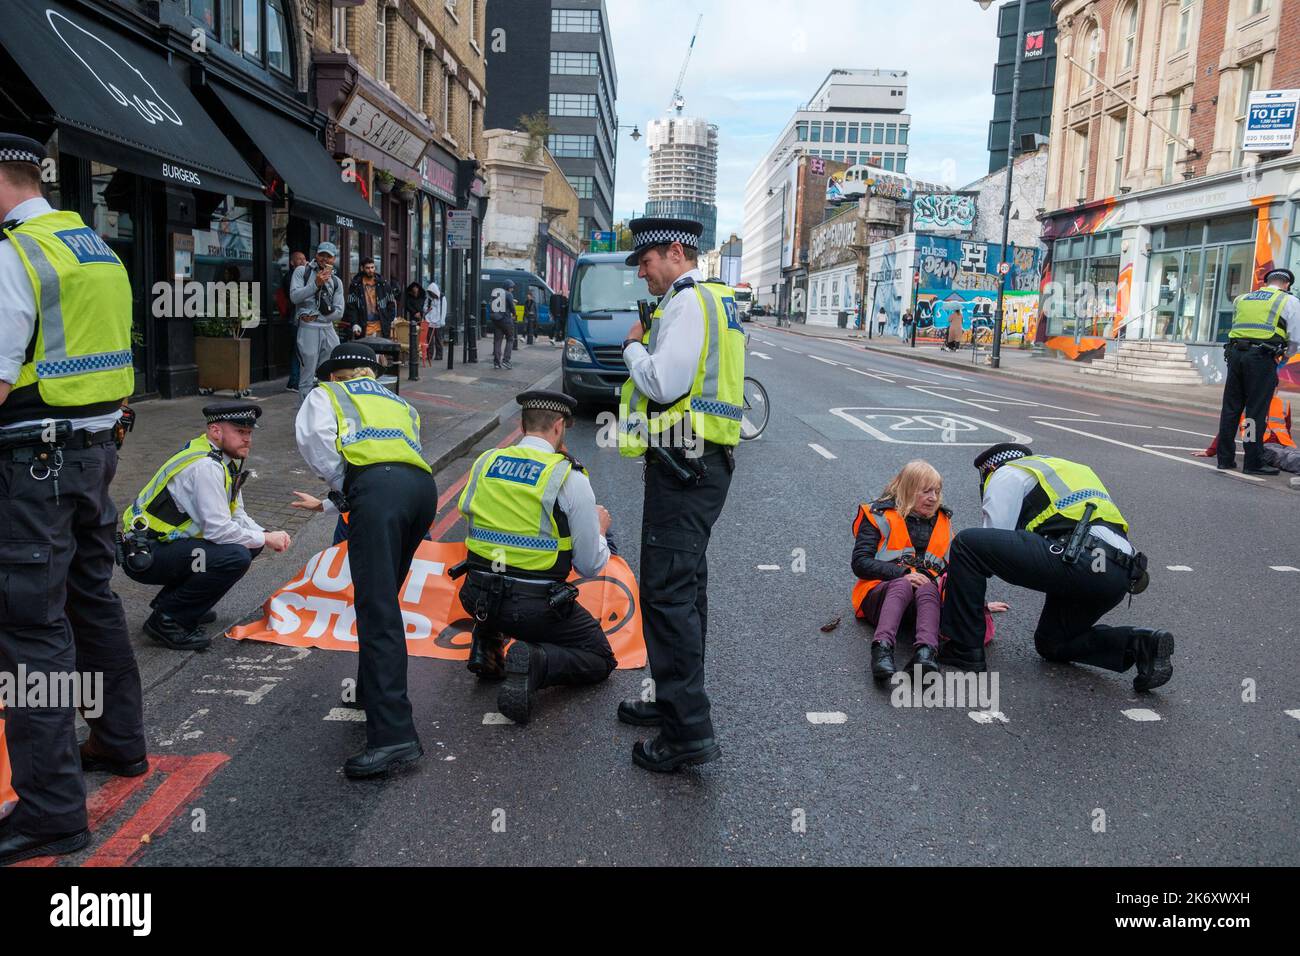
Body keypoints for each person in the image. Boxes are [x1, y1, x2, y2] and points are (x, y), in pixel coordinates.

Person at [0, 133, 145, 866]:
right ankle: (121, 744)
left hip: (31, 466)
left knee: (29, 628)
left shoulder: (12, 255)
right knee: (91, 599)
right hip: (95, 455)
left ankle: (53, 812)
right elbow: (121, 372)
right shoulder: (96, 249)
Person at [616, 217, 745, 772]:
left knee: (667, 594)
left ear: (674, 252)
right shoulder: (716, 301)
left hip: (684, 464)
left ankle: (687, 732)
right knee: (686, 589)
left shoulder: (688, 303)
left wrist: (633, 350)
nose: (642, 274)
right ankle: (672, 701)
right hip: (701, 461)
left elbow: (662, 384)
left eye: (645, 263)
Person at [294, 343, 438, 778]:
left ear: (338, 374)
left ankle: (394, 737)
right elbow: (403, 453)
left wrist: (344, 486)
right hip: (420, 492)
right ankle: (371, 692)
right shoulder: (400, 403)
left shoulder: (328, 395)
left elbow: (315, 442)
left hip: (378, 495)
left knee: (378, 613)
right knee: (384, 599)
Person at [938, 444, 1175, 693]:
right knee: (1053, 642)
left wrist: (961, 597)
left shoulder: (1005, 473)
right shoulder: (1068, 470)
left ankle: (964, 648)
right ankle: (1141, 644)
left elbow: (993, 538)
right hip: (1120, 572)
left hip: (1078, 558)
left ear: (989, 470)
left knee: (967, 544)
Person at [455, 390, 616, 723]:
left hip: (477, 597)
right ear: (559, 426)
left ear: (522, 424)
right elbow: (588, 564)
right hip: (534, 608)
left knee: (498, 580)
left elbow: (472, 520)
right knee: (599, 658)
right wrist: (600, 531)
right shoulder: (567, 477)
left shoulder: (485, 461)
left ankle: (487, 646)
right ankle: (536, 661)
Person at [121, 403, 292, 650]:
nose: (247, 439)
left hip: (165, 547)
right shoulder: (206, 467)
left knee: (248, 544)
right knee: (235, 556)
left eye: (249, 432)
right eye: (240, 432)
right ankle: (167, 621)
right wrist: (265, 539)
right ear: (215, 431)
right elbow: (218, 530)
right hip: (146, 555)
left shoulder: (223, 460)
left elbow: (236, 513)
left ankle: (178, 603)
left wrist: (263, 534)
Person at [852, 460, 953, 680]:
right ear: (907, 489)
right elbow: (860, 563)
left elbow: (950, 571)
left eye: (937, 491)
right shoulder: (878, 515)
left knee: (929, 589)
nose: (933, 498)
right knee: (904, 584)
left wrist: (978, 605)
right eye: (926, 491)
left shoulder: (943, 521)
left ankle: (926, 655)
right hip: (878, 596)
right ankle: (882, 649)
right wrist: (905, 574)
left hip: (922, 604)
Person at [1215, 267, 1300, 475]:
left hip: (1235, 355)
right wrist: (1284, 359)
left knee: (1230, 409)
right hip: (1261, 359)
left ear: (1265, 282)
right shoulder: (1288, 301)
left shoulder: (1242, 298)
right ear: (1287, 284)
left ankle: (1224, 459)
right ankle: (1252, 462)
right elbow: (1295, 338)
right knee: (1255, 413)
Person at [290, 242, 344, 402]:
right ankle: (304, 413)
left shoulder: (336, 281)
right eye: (322, 255)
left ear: (334, 259)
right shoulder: (302, 272)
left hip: (328, 329)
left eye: (329, 256)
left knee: (329, 373)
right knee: (307, 374)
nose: (325, 259)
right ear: (316, 255)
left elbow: (339, 311)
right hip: (309, 329)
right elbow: (294, 297)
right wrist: (315, 285)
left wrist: (315, 316)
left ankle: (324, 410)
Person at [1195, 392, 1298, 473]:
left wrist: (1289, 444)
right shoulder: (1248, 406)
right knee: (1285, 457)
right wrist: (1211, 450)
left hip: (1286, 444)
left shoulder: (1283, 403)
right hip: (1262, 445)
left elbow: (1286, 428)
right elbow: (1227, 429)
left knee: (1292, 454)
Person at [346, 256, 395, 340]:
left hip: (381, 326)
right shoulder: (355, 286)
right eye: (367, 268)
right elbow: (351, 307)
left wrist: (388, 321)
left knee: (381, 352)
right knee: (366, 352)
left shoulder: (383, 284)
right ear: (362, 268)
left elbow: (391, 303)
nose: (371, 270)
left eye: (372, 267)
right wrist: (354, 324)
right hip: (363, 327)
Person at [280, 250, 307, 391]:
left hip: (299, 318)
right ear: (292, 262)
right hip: (295, 318)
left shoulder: (303, 275)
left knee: (300, 350)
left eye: (304, 259)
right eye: (299, 259)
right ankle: (294, 381)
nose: (303, 261)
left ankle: (294, 381)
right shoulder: (291, 277)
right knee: (298, 350)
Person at [488, 280, 516, 369]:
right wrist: (515, 314)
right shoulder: (509, 294)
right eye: (511, 287)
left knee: (497, 341)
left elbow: (491, 305)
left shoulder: (496, 293)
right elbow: (512, 308)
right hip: (506, 320)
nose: (512, 289)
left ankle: (496, 362)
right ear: (508, 287)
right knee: (510, 339)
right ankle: (506, 361)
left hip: (496, 320)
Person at [423, 280, 446, 363]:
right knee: (429, 339)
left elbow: (443, 310)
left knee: (438, 339)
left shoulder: (442, 298)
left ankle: (439, 355)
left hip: (438, 322)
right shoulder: (429, 299)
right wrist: (427, 310)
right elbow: (424, 308)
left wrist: (442, 321)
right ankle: (429, 354)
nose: (431, 294)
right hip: (430, 321)